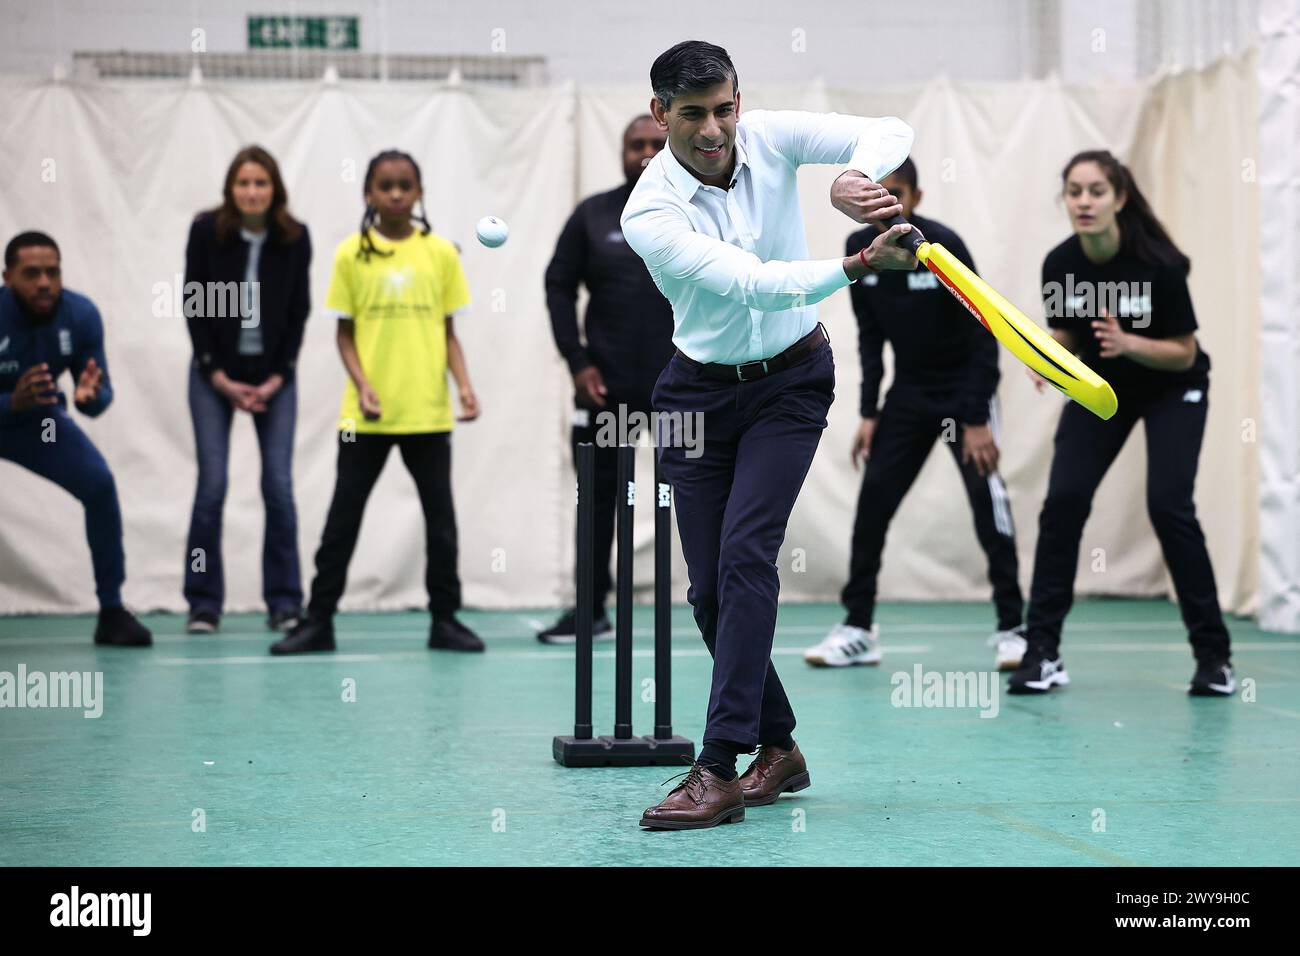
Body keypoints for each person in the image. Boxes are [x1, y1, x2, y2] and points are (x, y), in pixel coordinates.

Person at [622, 40, 919, 830]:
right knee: (709, 593)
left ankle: (716, 768)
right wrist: (856, 264)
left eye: (725, 108)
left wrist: (859, 175)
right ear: (661, 116)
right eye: (692, 115)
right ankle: (778, 747)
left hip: (790, 384)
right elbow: (752, 285)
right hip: (694, 395)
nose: (715, 129)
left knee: (746, 556)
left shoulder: (770, 135)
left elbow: (888, 127)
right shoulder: (649, 210)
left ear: (738, 101)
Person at [1010, 149, 1233, 696]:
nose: (1084, 202)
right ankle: (1041, 653)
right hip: (1101, 391)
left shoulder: (1159, 262)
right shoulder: (1060, 264)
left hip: (1173, 386)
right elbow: (1067, 337)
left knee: (1169, 507)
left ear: (1120, 198)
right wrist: (1045, 358)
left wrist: (1129, 342)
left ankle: (1214, 658)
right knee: (1063, 502)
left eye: (1096, 191)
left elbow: (1183, 353)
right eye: (1074, 191)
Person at [802, 157, 1025, 672]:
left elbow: (985, 326)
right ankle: (858, 627)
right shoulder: (858, 251)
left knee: (987, 508)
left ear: (916, 199)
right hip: (909, 395)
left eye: (894, 194)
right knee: (873, 504)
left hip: (964, 392)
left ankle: (1014, 629)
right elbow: (871, 336)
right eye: (873, 196)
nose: (882, 207)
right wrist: (870, 412)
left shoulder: (944, 246)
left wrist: (975, 418)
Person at [271, 150, 484, 655]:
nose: (394, 194)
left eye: (404, 185)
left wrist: (465, 386)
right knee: (342, 520)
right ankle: (317, 620)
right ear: (368, 193)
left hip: (427, 413)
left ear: (419, 193)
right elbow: (344, 335)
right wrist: (363, 384)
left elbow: (448, 333)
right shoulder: (351, 254)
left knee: (441, 522)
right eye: (384, 185)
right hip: (363, 417)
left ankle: (445, 620)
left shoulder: (441, 254)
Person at [536, 114, 675, 644]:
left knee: (696, 498)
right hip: (607, 391)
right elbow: (557, 286)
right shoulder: (593, 215)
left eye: (655, 144)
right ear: (620, 151)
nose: (644, 151)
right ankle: (589, 611)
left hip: (680, 392)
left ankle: (711, 608)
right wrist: (577, 361)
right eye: (635, 144)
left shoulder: (701, 210)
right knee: (598, 499)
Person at [183, 146, 311, 634]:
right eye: (244, 183)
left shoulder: (295, 239)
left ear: (274, 188)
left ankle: (284, 601)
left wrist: (278, 378)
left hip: (274, 378)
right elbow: (194, 305)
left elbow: (299, 312)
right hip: (213, 375)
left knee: (277, 486)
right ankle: (202, 602)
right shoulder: (205, 231)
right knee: (211, 487)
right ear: (230, 189)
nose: (252, 191)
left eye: (261, 183)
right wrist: (218, 376)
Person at [0, 232, 151, 646]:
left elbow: (98, 395)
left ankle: (112, 611)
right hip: (10, 408)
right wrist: (10, 401)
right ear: (8, 277)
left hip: (39, 423)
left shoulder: (81, 315)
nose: (45, 283)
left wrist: (90, 397)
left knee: (99, 485)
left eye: (53, 272)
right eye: (32, 274)